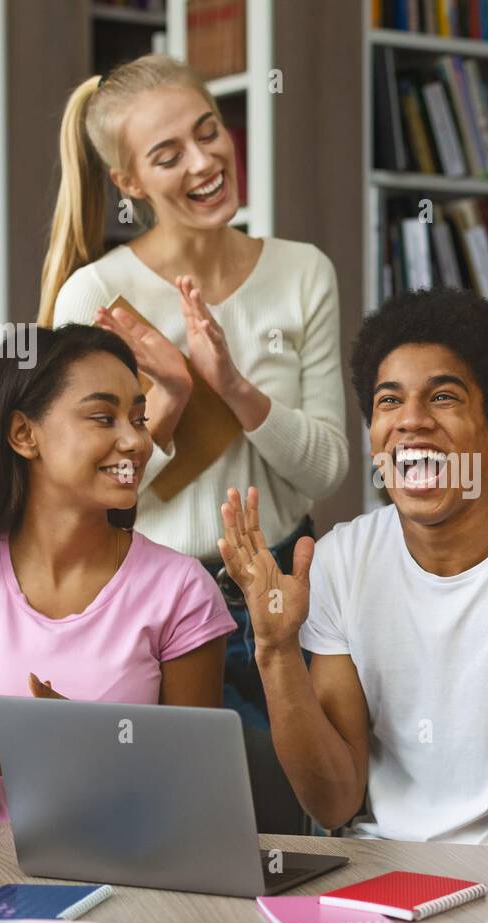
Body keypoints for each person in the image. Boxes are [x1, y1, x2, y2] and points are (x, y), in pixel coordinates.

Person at [217, 288, 488, 902]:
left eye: (442, 397)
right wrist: (275, 651)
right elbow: (334, 800)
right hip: (375, 878)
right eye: (389, 401)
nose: (411, 419)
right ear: (374, 439)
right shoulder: (339, 559)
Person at [40, 54, 348, 746]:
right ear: (128, 181)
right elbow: (81, 490)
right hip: (151, 605)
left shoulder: (304, 272)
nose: (204, 161)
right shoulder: (93, 298)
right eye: (167, 154)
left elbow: (328, 469)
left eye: (209, 132)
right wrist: (171, 403)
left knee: (304, 829)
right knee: (173, 832)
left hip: (286, 597)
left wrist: (236, 389)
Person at [0, 325, 235, 824]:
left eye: (139, 419)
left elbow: (197, 791)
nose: (135, 441)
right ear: (24, 434)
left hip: (122, 885)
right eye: (104, 418)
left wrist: (84, 740)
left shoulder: (181, 590)